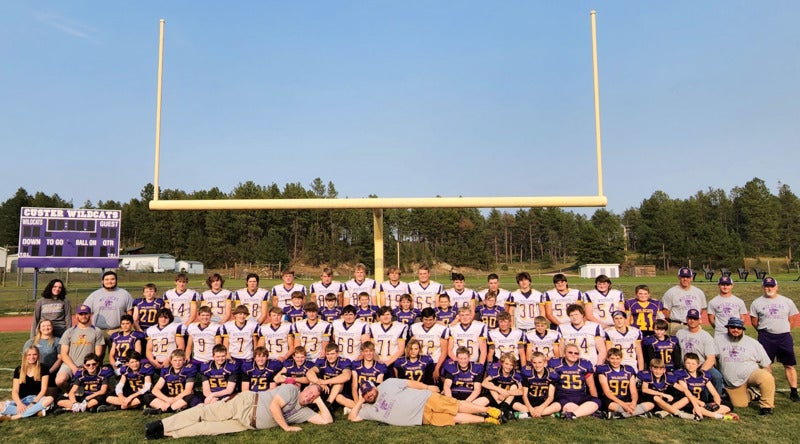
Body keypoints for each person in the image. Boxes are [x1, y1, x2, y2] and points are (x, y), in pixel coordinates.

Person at [144, 384, 332, 439]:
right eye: (309, 392)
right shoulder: (291, 390)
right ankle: (160, 424)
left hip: (246, 424)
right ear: (304, 388)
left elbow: (327, 421)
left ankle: (167, 433)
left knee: (207, 429)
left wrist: (319, 400)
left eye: (313, 396)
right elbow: (274, 407)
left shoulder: (304, 411)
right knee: (203, 412)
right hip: (247, 403)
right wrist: (287, 428)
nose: (309, 396)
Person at [349, 378, 504, 426]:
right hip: (421, 418)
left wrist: (427, 387)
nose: (369, 395)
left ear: (374, 387)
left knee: (456, 405)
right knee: (453, 418)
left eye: (369, 391)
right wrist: (360, 401)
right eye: (365, 394)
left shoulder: (387, 383)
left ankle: (489, 410)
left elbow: (409, 383)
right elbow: (352, 417)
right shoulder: (367, 409)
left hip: (426, 399)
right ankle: (486, 420)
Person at [750, 276, 800, 402]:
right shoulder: (756, 303)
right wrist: (764, 331)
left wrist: (785, 329)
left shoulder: (787, 301)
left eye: (772, 286)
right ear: (763, 287)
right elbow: (754, 321)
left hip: (784, 336)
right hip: (766, 336)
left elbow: (792, 319)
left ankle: (794, 391)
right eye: (767, 286)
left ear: (776, 287)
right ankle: (768, 390)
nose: (769, 288)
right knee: (766, 364)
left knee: (789, 364)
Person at [715, 318, 776, 415]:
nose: (736, 330)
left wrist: (767, 379)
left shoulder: (753, 343)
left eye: (739, 328)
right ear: (728, 328)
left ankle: (766, 407)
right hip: (733, 382)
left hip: (751, 374)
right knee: (739, 404)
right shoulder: (718, 341)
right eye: (733, 327)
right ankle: (751, 393)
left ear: (742, 329)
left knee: (766, 377)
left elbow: (766, 365)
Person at [55, 304, 105, 392]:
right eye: (81, 314)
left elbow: (98, 353)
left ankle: (79, 392)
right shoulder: (69, 331)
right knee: (60, 380)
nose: (83, 316)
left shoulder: (97, 331)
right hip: (69, 364)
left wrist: (88, 365)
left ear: (90, 315)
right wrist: (74, 368)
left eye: (86, 314)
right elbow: (63, 353)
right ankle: (69, 392)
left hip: (88, 365)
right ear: (76, 315)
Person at [673, 353, 737, 421]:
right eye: (688, 363)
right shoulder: (682, 375)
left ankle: (707, 413)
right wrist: (701, 404)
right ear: (684, 364)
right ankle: (719, 416)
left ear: (698, 365)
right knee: (697, 407)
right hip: (690, 402)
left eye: (693, 364)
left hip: (703, 402)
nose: (690, 366)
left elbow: (714, 393)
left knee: (728, 405)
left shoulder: (704, 375)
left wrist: (717, 405)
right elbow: (687, 394)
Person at [675, 309, 724, 398]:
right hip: (685, 366)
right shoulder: (680, 333)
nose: (692, 321)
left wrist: (700, 372)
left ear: (699, 320)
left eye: (695, 319)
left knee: (717, 376)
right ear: (686, 319)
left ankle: (717, 398)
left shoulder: (705, 336)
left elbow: (711, 358)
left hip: (702, 365)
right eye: (690, 318)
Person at [82, 270, 134, 353]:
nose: (109, 281)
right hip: (98, 331)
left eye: (112, 279)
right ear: (102, 281)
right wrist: (87, 328)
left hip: (117, 331)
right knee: (96, 357)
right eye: (107, 279)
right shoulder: (95, 295)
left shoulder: (124, 294)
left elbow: (129, 313)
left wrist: (127, 329)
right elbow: (84, 311)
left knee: (117, 356)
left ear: (116, 280)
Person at [547, 343, 600, 419]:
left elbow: (591, 386)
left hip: (581, 395)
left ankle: (572, 414)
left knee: (597, 401)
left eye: (576, 353)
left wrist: (596, 402)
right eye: (570, 352)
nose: (573, 355)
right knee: (569, 407)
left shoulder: (585, 364)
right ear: (564, 353)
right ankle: (587, 412)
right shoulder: (556, 363)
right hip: (563, 395)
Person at [596, 348, 653, 418]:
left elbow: (633, 391)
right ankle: (638, 412)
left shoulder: (628, 369)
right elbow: (607, 392)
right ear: (608, 358)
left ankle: (619, 415)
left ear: (621, 358)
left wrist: (634, 402)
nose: (615, 361)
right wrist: (623, 404)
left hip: (626, 398)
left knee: (650, 404)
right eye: (612, 358)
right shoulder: (603, 370)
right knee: (611, 406)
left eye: (617, 358)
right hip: (612, 399)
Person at [0, 346, 54, 420]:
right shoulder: (19, 369)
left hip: (37, 399)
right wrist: (19, 404)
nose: (32, 357)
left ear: (38, 355)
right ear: (25, 356)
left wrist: (33, 403)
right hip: (23, 400)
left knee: (50, 399)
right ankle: (35, 412)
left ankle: (14, 416)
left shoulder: (44, 368)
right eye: (29, 355)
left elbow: (43, 390)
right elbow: (15, 391)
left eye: (34, 354)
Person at [145, 350, 196, 414]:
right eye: (175, 360)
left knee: (191, 396)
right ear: (171, 361)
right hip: (169, 397)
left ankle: (162, 409)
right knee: (147, 396)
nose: (177, 363)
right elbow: (155, 389)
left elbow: (188, 391)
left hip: (181, 397)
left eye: (180, 360)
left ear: (184, 361)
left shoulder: (188, 370)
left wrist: (175, 399)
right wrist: (167, 399)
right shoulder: (166, 371)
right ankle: (174, 408)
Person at [307, 343, 354, 409]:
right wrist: (318, 382)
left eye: (332, 354)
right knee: (312, 382)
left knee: (339, 383)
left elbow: (347, 376)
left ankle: (327, 404)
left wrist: (324, 382)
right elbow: (309, 372)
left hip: (340, 392)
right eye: (328, 354)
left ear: (337, 354)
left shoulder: (344, 361)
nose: (330, 356)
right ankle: (310, 404)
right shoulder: (321, 361)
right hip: (326, 390)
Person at [662, 267, 707, 335]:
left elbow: (701, 309)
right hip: (677, 325)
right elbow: (665, 310)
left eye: (687, 277)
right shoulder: (671, 292)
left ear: (691, 278)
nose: (685, 279)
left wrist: (694, 320)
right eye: (683, 277)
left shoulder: (699, 292)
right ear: (679, 277)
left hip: (695, 326)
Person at [409, 308, 450, 382]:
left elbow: (444, 351)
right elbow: (411, 347)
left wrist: (437, 368)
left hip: (435, 362)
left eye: (430, 320)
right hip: (419, 362)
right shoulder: (415, 327)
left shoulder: (441, 329)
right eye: (426, 319)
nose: (428, 322)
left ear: (434, 319)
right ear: (422, 319)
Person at [22, 319, 61, 396]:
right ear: (39, 328)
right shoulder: (31, 341)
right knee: (31, 396)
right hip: (34, 371)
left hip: (51, 372)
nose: (46, 328)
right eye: (43, 326)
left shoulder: (57, 341)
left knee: (50, 398)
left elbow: (60, 359)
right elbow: (25, 358)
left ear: (52, 327)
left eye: (48, 325)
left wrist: (49, 372)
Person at [519, 352, 559, 418]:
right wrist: (530, 408)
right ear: (531, 363)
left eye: (540, 362)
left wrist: (541, 407)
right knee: (516, 405)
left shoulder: (551, 374)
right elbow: (524, 396)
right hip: (530, 401)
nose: (537, 365)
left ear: (545, 362)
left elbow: (550, 397)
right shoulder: (527, 373)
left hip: (544, 402)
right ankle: (543, 413)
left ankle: (528, 414)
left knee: (557, 405)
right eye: (534, 363)